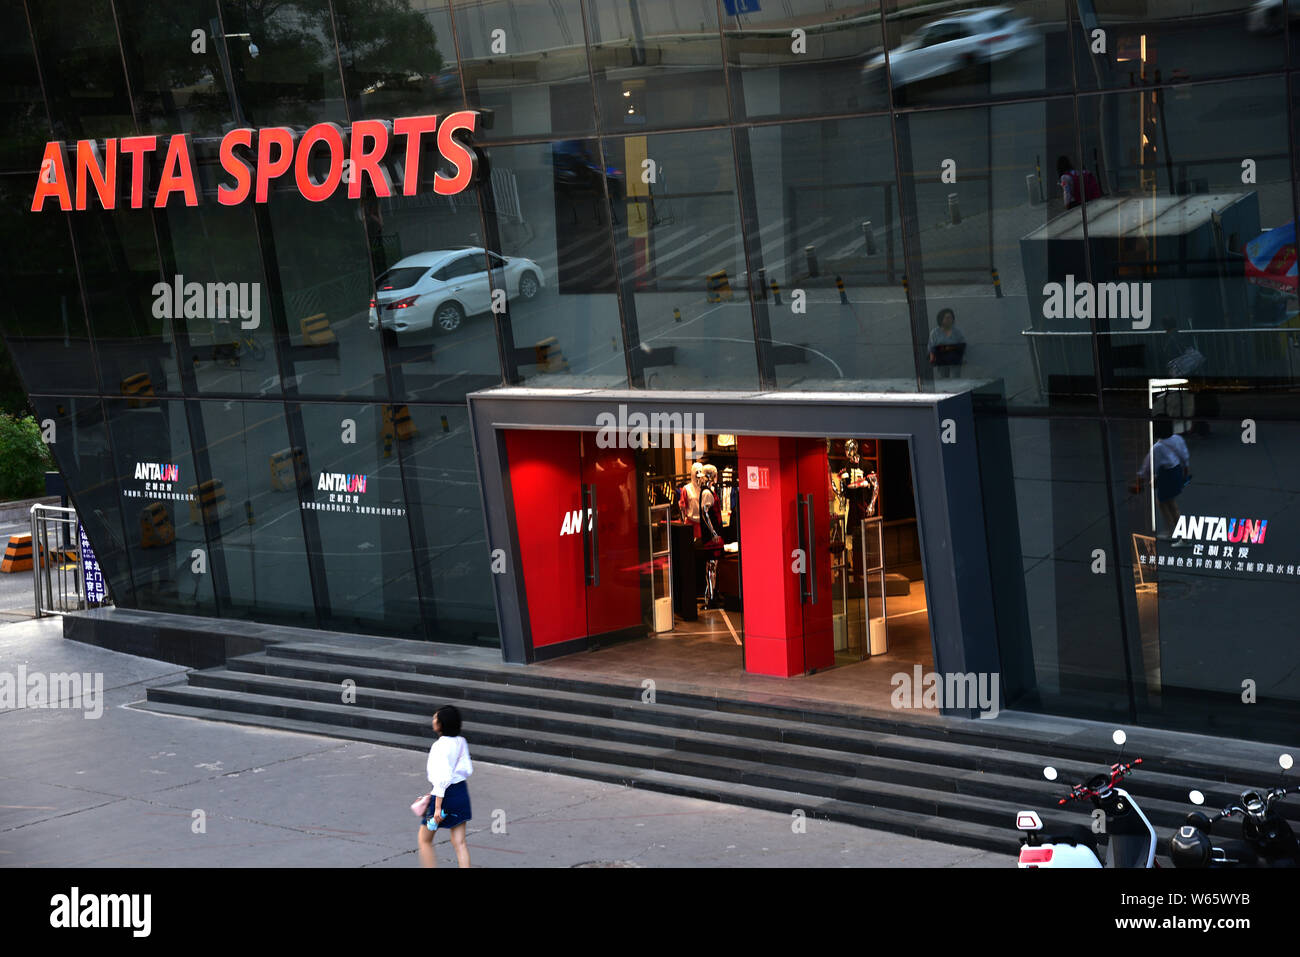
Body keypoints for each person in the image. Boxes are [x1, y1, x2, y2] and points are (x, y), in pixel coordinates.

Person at [417, 704, 473, 868]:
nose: (433, 720)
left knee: (425, 839)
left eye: (435, 718)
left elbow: (442, 778)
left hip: (442, 798)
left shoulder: (439, 746)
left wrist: (436, 808)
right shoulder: (461, 742)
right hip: (461, 793)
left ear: (441, 724)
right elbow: (467, 768)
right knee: (460, 843)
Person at [1130, 422, 1191, 544]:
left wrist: (1139, 481)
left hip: (1166, 476)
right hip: (1176, 471)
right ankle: (1174, 532)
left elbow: (1147, 467)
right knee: (1166, 502)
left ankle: (1182, 536)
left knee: (1169, 505)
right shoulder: (1177, 439)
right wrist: (1185, 470)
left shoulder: (1157, 448)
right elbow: (1184, 456)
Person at [699, 464, 724, 608]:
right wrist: (713, 532)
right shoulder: (707, 493)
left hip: (714, 534)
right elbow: (705, 513)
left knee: (712, 566)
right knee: (711, 566)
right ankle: (710, 598)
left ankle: (712, 595)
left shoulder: (709, 491)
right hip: (712, 536)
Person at [927, 308, 966, 378]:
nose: (949, 320)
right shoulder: (935, 333)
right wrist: (932, 359)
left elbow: (963, 346)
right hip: (942, 361)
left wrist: (963, 358)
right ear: (941, 319)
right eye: (947, 318)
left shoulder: (957, 332)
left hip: (955, 361)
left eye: (951, 318)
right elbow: (931, 347)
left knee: (955, 379)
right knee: (944, 380)